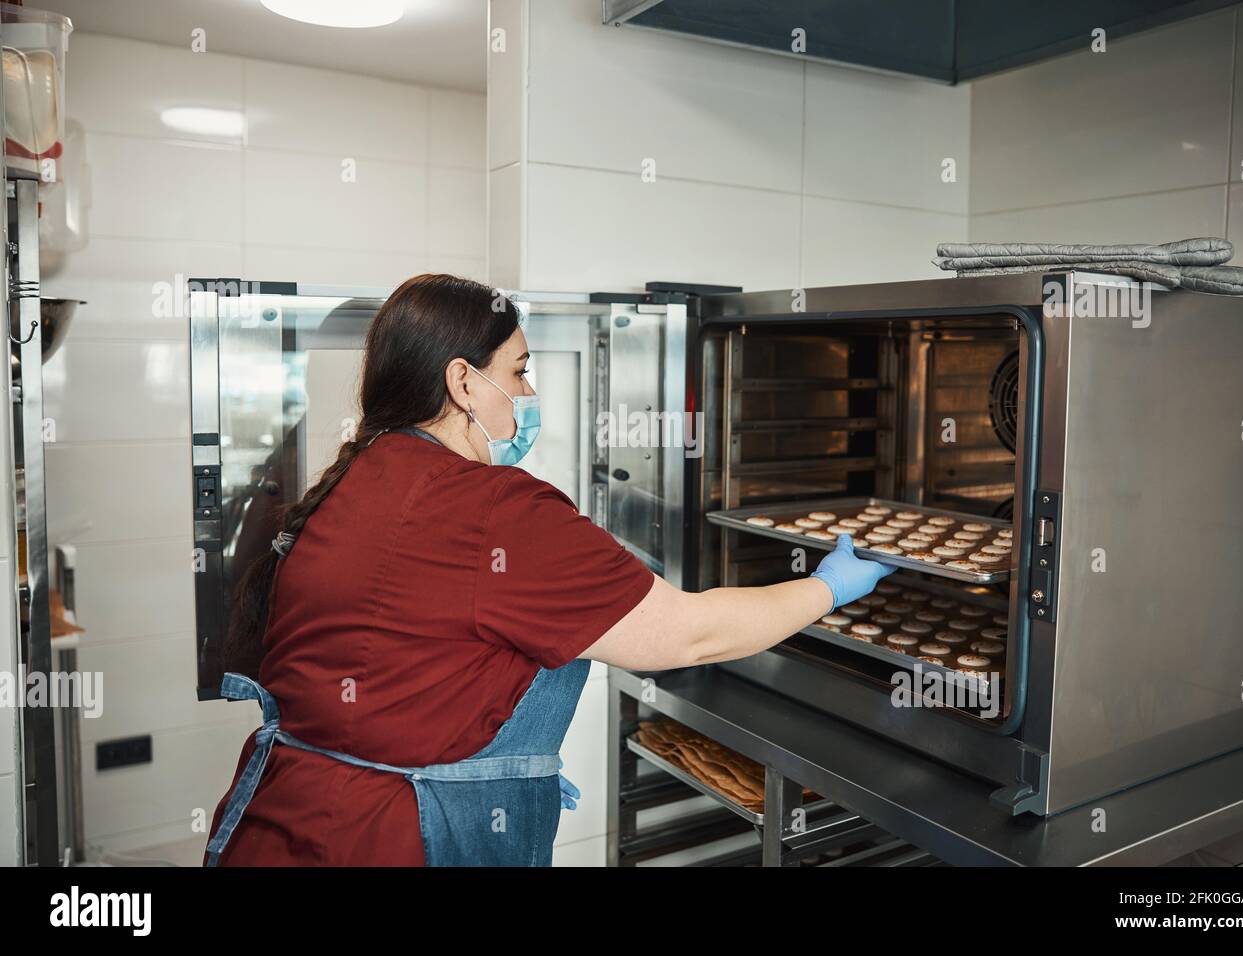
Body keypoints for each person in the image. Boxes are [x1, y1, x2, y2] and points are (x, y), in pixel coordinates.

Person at [205, 273, 894, 866]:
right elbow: (687, 635)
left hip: (280, 821)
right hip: (397, 839)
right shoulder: (494, 509)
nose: (528, 389)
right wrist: (825, 586)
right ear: (462, 381)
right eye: (518, 370)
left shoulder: (354, 479)